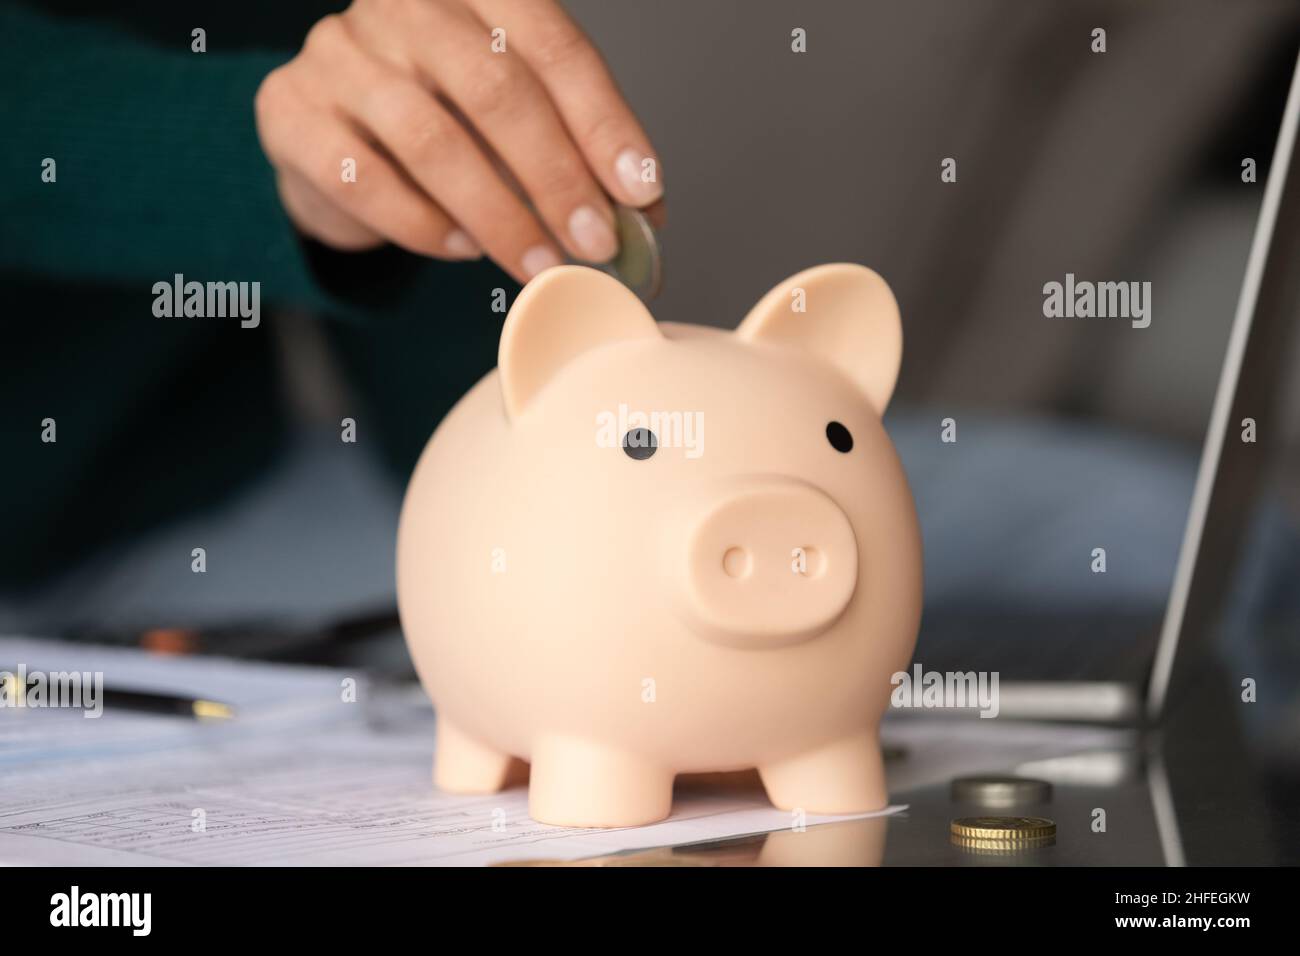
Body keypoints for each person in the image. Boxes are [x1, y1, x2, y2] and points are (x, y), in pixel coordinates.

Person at [1, 0, 663, 624]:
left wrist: (516, 474)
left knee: (526, 596)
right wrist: (259, 152)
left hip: (197, 491)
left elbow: (447, 341)